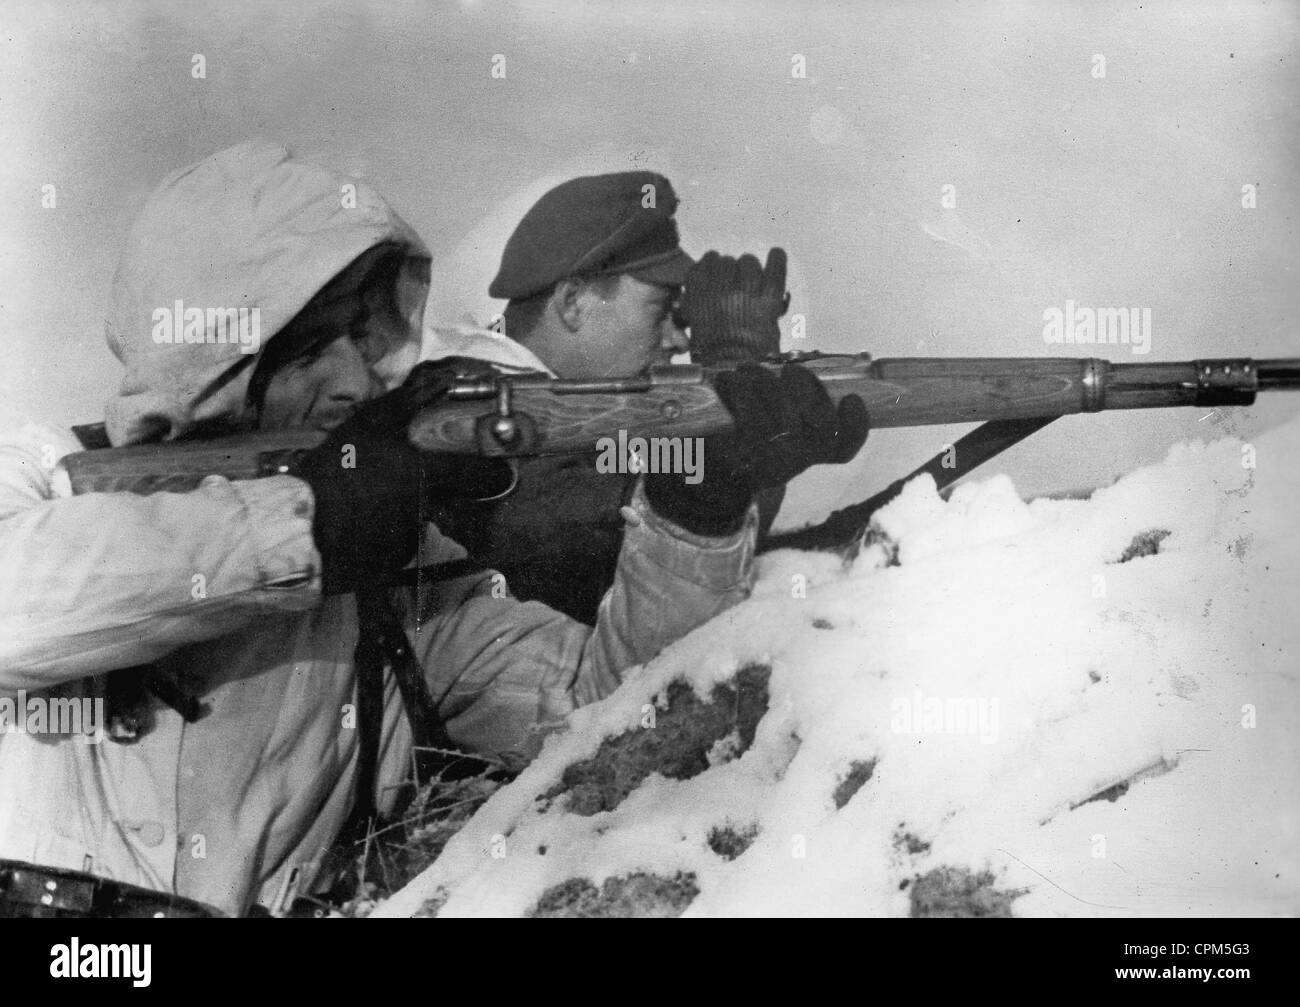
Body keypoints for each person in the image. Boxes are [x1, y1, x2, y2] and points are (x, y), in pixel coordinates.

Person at [0, 142, 868, 917]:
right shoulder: (38, 479)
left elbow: (603, 709)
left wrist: (698, 510)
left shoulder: (400, 585)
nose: (353, 384)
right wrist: (309, 528)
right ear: (212, 358)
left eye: (367, 342)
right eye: (310, 347)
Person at [425, 172, 794, 623]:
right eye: (662, 310)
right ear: (573, 302)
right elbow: (667, 550)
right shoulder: (469, 413)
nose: (679, 340)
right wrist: (739, 373)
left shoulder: (563, 412)